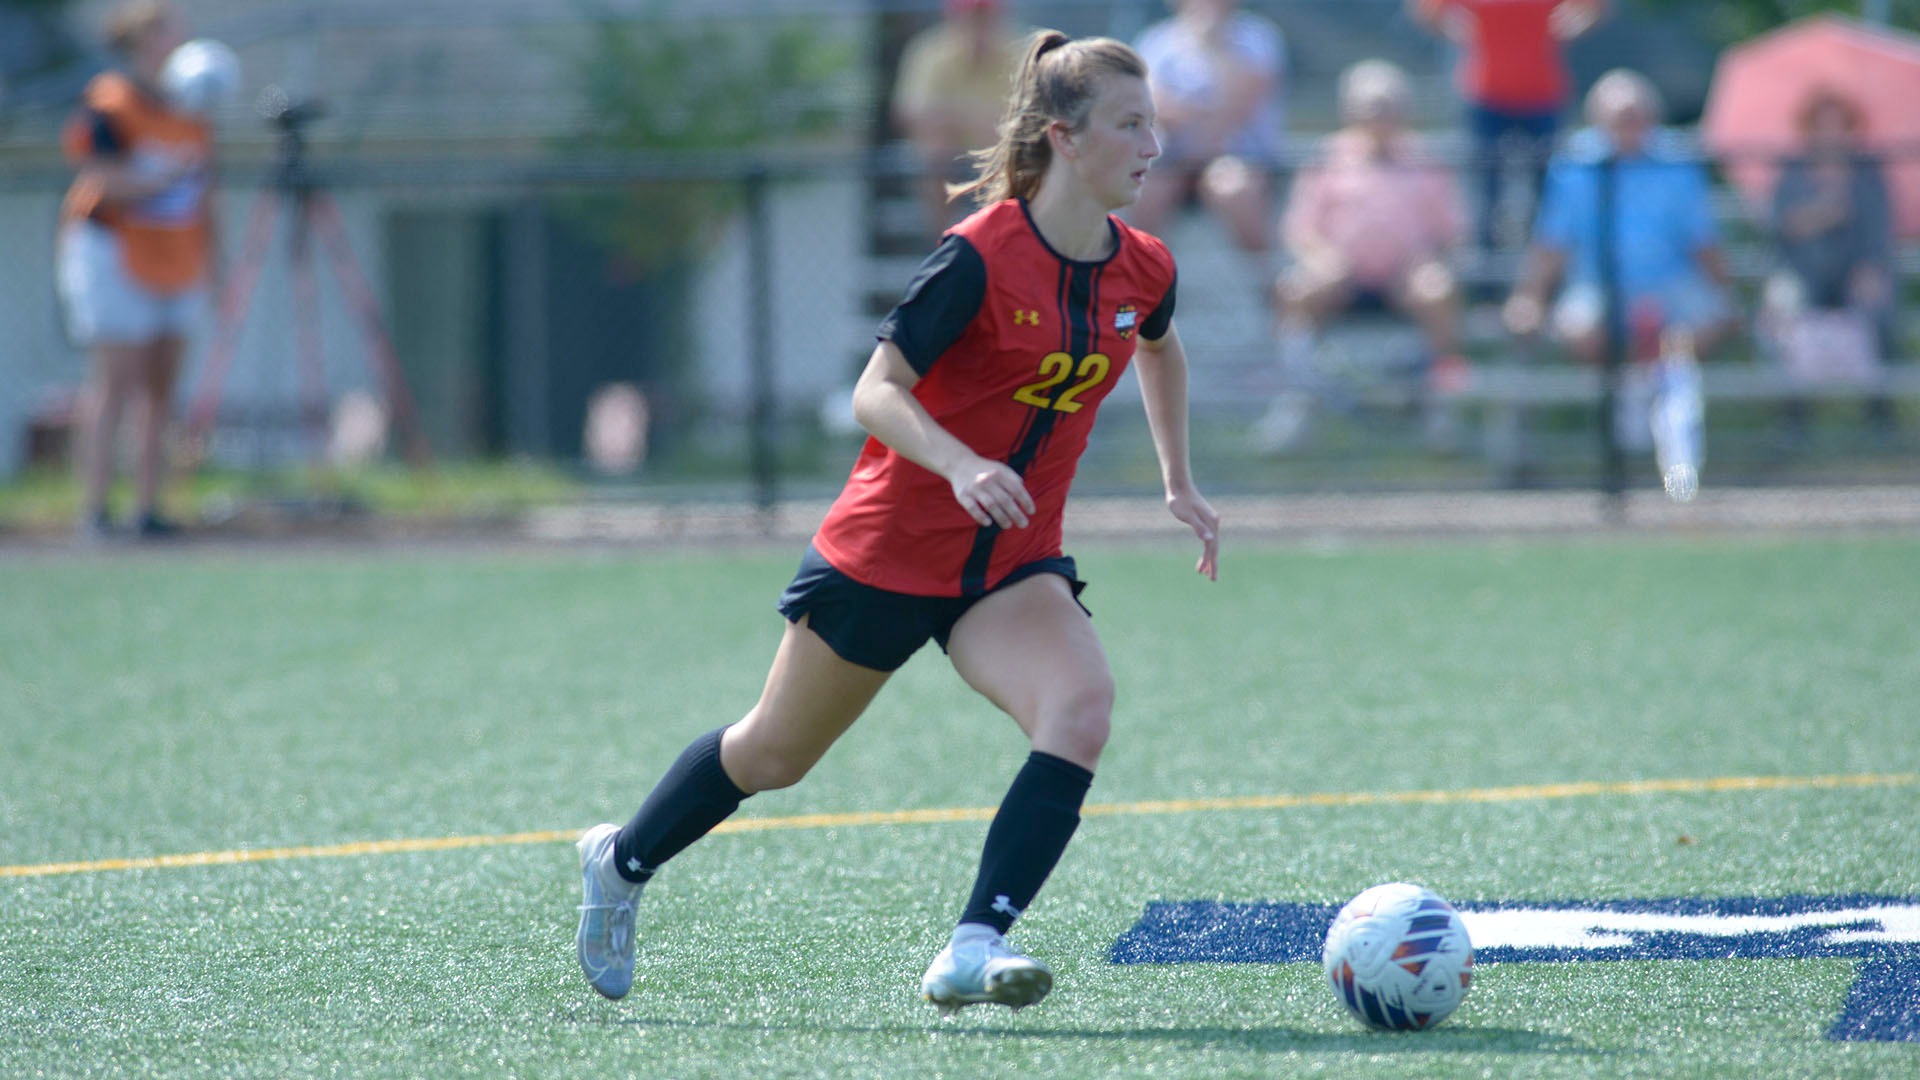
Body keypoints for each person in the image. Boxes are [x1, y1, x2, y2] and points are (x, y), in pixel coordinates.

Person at [574, 31, 1219, 1017]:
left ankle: (974, 944)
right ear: (1065, 138)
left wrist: (1179, 480)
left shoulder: (1145, 266)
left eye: (1155, 123)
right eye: (1131, 124)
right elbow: (875, 392)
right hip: (885, 554)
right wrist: (960, 464)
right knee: (772, 757)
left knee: (1080, 710)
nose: (1153, 144)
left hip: (1011, 564)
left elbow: (1161, 349)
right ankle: (620, 863)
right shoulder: (979, 255)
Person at [1503, 69, 1735, 497]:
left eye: (1637, 114)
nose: (1630, 124)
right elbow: (1552, 244)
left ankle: (1673, 459)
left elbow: (1702, 242)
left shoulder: (1676, 163)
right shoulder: (1576, 165)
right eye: (1619, 116)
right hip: (1598, 285)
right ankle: (1632, 405)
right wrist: (1528, 297)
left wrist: (1727, 295)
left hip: (1670, 284)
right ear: (1598, 120)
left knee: (1689, 339)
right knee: (1580, 327)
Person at [56, 0, 218, 541]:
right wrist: (159, 178)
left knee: (161, 387)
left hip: (174, 254)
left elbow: (204, 195)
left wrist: (213, 264)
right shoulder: (112, 101)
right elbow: (102, 178)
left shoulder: (192, 109)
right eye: (170, 32)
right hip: (113, 252)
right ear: (144, 42)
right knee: (115, 381)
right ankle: (96, 509)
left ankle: (148, 507)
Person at [1256, 59, 1467, 453]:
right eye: (1370, 108)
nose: (1379, 116)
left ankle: (1439, 402)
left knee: (1439, 293)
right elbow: (1300, 229)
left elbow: (1451, 233)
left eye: (1388, 106)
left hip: (1407, 277)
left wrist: (1427, 261)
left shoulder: (1428, 161)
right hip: (1340, 276)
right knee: (1295, 291)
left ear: (1405, 110)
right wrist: (1322, 258)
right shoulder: (1326, 159)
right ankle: (1296, 399)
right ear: (1350, 112)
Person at [1408, 0, 1608, 253]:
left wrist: (1566, 29)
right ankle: (1486, 274)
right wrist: (1460, 32)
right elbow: (1427, 11)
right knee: (1485, 191)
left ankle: (1547, 271)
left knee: (1549, 192)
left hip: (1542, 96)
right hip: (1486, 97)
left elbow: (1597, 8)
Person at [1761, 86, 1897, 437]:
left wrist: (1870, 268)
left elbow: (1880, 231)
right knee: (1782, 308)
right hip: (1801, 272)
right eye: (1823, 125)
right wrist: (1820, 215)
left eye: (1839, 125)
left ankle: (1879, 413)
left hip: (1855, 270)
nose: (1831, 133)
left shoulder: (1868, 172)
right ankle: (1793, 417)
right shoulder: (1792, 170)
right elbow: (1778, 226)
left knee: (1878, 304)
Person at [1128, 0, 1285, 264]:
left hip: (1243, 159)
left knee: (1233, 188)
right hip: (1174, 159)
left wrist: (1213, 44)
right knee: (1145, 188)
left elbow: (1242, 100)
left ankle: (1268, 284)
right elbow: (1148, 102)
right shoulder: (1156, 41)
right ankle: (1142, 278)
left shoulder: (1259, 38)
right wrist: (1195, 123)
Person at [891, 0, 1024, 241]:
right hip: (949, 155)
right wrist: (983, 120)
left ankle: (1003, 242)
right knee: (933, 148)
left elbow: (1028, 119)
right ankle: (942, 242)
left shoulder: (1020, 51)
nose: (979, 25)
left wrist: (955, 116)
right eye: (972, 17)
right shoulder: (930, 51)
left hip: (1002, 153)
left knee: (1021, 149)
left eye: (985, 17)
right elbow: (912, 113)